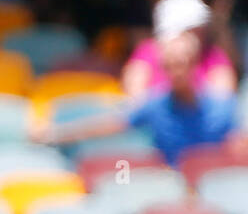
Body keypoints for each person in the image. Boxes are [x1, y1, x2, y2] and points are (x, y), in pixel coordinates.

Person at [33, 32, 236, 167]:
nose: (176, 72)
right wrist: (54, 133)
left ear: (196, 64)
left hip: (213, 185)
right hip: (170, 186)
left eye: (181, 64)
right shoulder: (156, 104)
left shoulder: (223, 107)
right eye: (169, 66)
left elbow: (241, 146)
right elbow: (111, 124)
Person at [121, 0, 237, 100]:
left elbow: (223, 100)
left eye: (201, 28)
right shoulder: (147, 52)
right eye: (192, 29)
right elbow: (135, 97)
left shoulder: (213, 55)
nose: (200, 33)